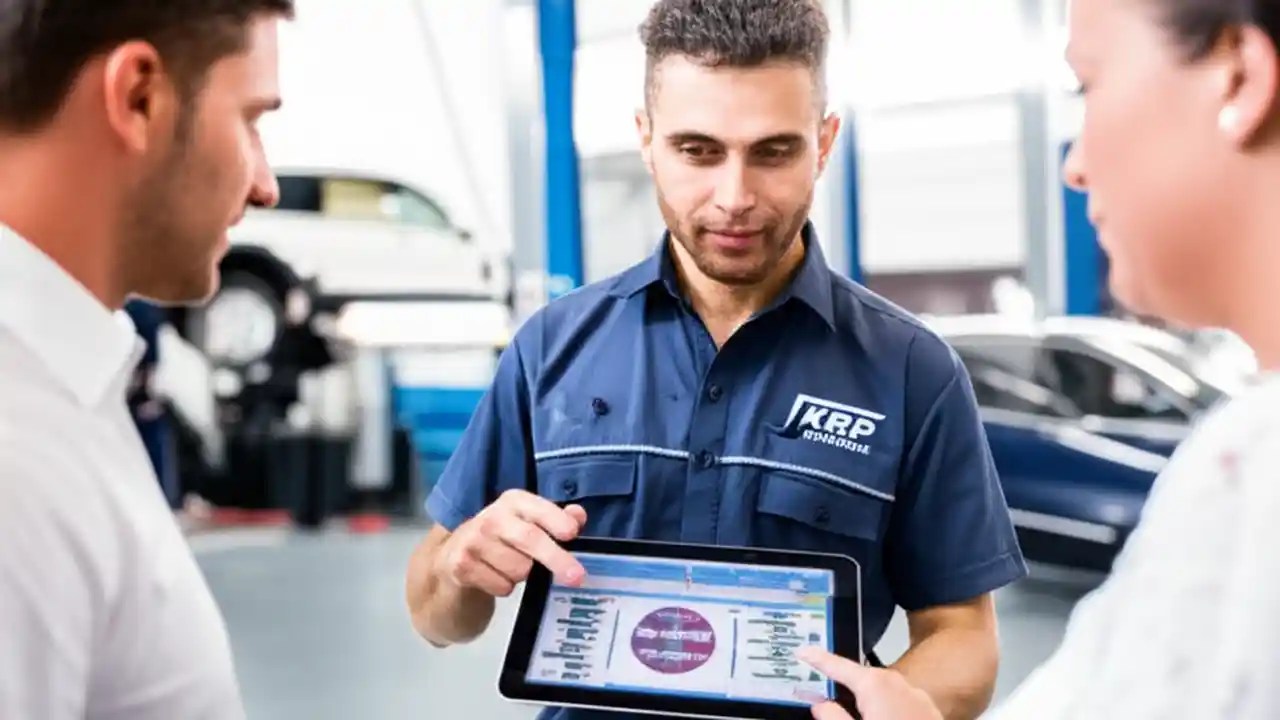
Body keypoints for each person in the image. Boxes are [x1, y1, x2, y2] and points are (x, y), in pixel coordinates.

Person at [405, 1, 1027, 718]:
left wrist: (888, 707)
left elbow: (963, 635)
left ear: (824, 143)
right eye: (698, 151)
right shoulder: (550, 349)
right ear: (647, 139)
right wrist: (459, 567)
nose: (735, 198)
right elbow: (435, 614)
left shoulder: (913, 371)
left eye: (773, 152)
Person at [799, 0, 1280, 718]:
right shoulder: (1239, 457)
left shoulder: (1247, 473)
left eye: (1088, 85)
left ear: (1237, 79)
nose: (1075, 167)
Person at [0, 2, 290, 718]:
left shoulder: (64, 385)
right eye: (249, 120)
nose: (265, 184)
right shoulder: (17, 449)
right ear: (139, 96)